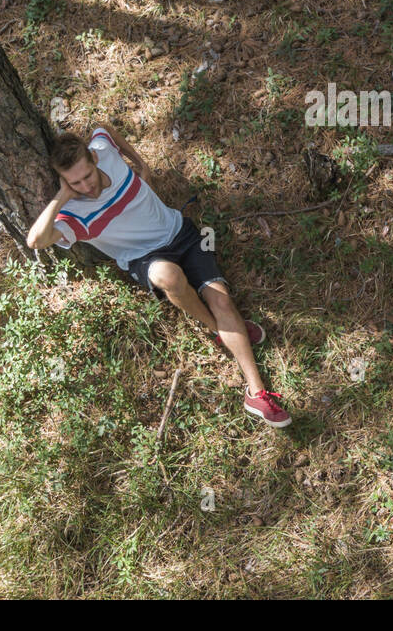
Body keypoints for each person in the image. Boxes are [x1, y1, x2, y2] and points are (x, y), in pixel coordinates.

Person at [26, 125, 290, 427]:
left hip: (182, 234)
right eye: (75, 183)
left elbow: (105, 129)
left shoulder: (104, 151)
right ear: (65, 183)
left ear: (94, 160)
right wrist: (61, 196)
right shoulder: (73, 215)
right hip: (145, 259)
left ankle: (256, 393)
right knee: (169, 277)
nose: (85, 186)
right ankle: (220, 332)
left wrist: (141, 164)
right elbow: (35, 241)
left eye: (86, 176)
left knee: (223, 302)